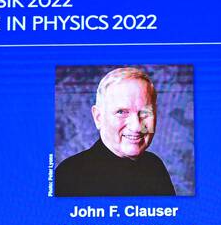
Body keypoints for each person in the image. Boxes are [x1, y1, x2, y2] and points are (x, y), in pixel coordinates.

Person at [54, 67, 176, 197]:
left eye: (146, 112)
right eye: (121, 112)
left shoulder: (154, 166)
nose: (136, 126)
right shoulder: (69, 176)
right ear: (98, 118)